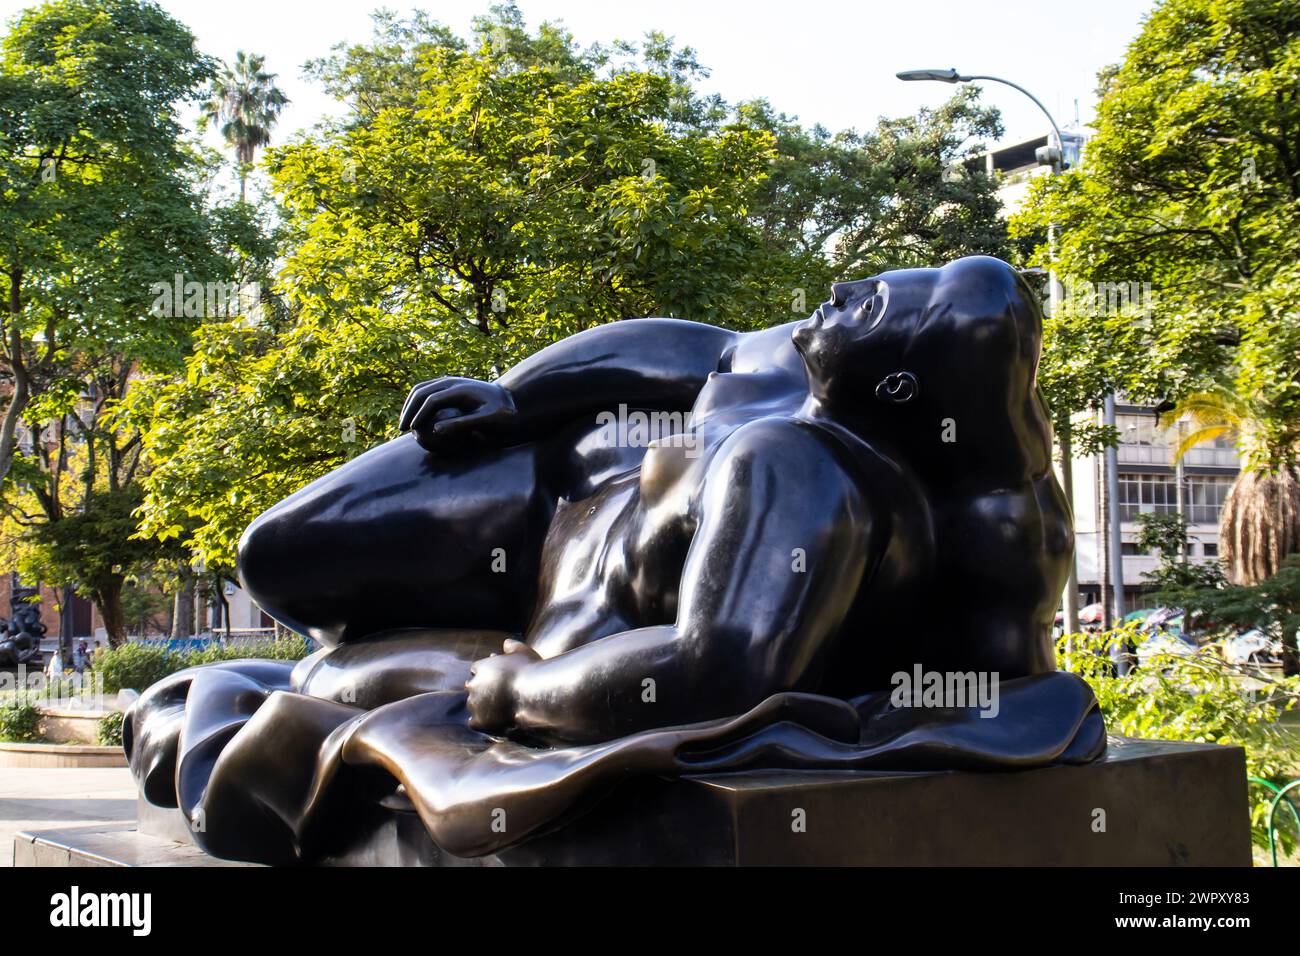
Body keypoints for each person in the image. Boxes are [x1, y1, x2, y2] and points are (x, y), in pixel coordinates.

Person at [236, 256, 1073, 744]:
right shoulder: (801, 356)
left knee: (320, 676)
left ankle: (324, 673)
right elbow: (690, 348)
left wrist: (519, 693)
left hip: (555, 635)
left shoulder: (824, 480)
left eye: (875, 303)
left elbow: (722, 670)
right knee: (274, 559)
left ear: (895, 385)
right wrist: (516, 396)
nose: (847, 287)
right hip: (548, 487)